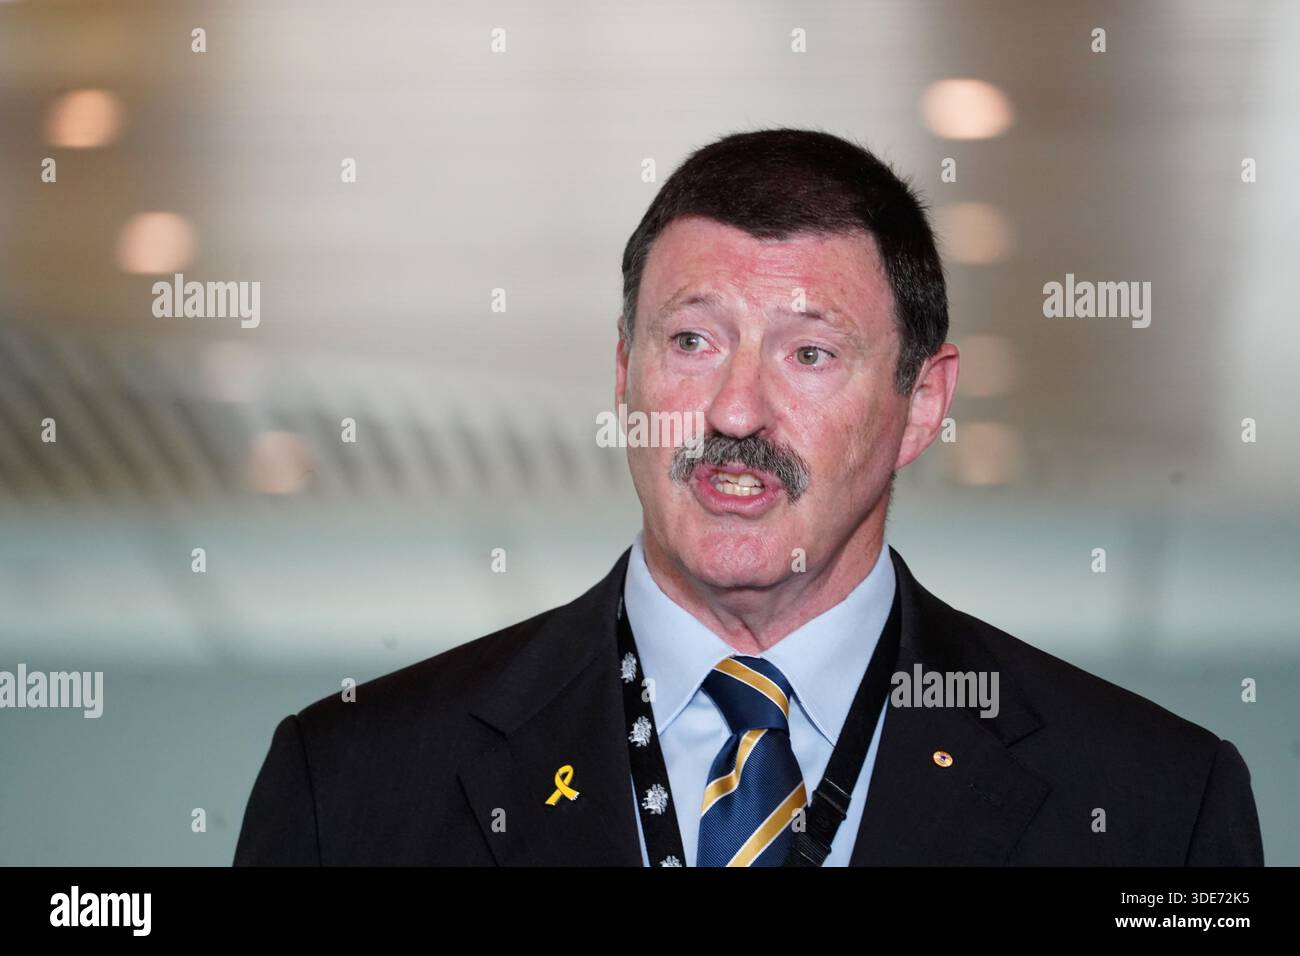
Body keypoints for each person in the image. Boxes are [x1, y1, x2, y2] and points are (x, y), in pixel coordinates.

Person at [234, 128, 1264, 866]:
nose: (735, 409)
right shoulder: (354, 783)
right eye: (692, 340)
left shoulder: (1150, 802)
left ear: (920, 403)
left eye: (810, 352)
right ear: (623, 372)